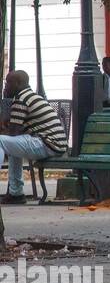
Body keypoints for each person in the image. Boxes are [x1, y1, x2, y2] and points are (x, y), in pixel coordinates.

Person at [0, 70, 66, 204]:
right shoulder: (31, 96)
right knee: (12, 146)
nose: (5, 87)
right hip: (53, 144)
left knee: (1, 141)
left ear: (18, 83)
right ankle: (16, 193)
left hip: (46, 143)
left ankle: (16, 192)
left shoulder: (21, 99)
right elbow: (15, 132)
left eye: (8, 83)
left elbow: (13, 132)